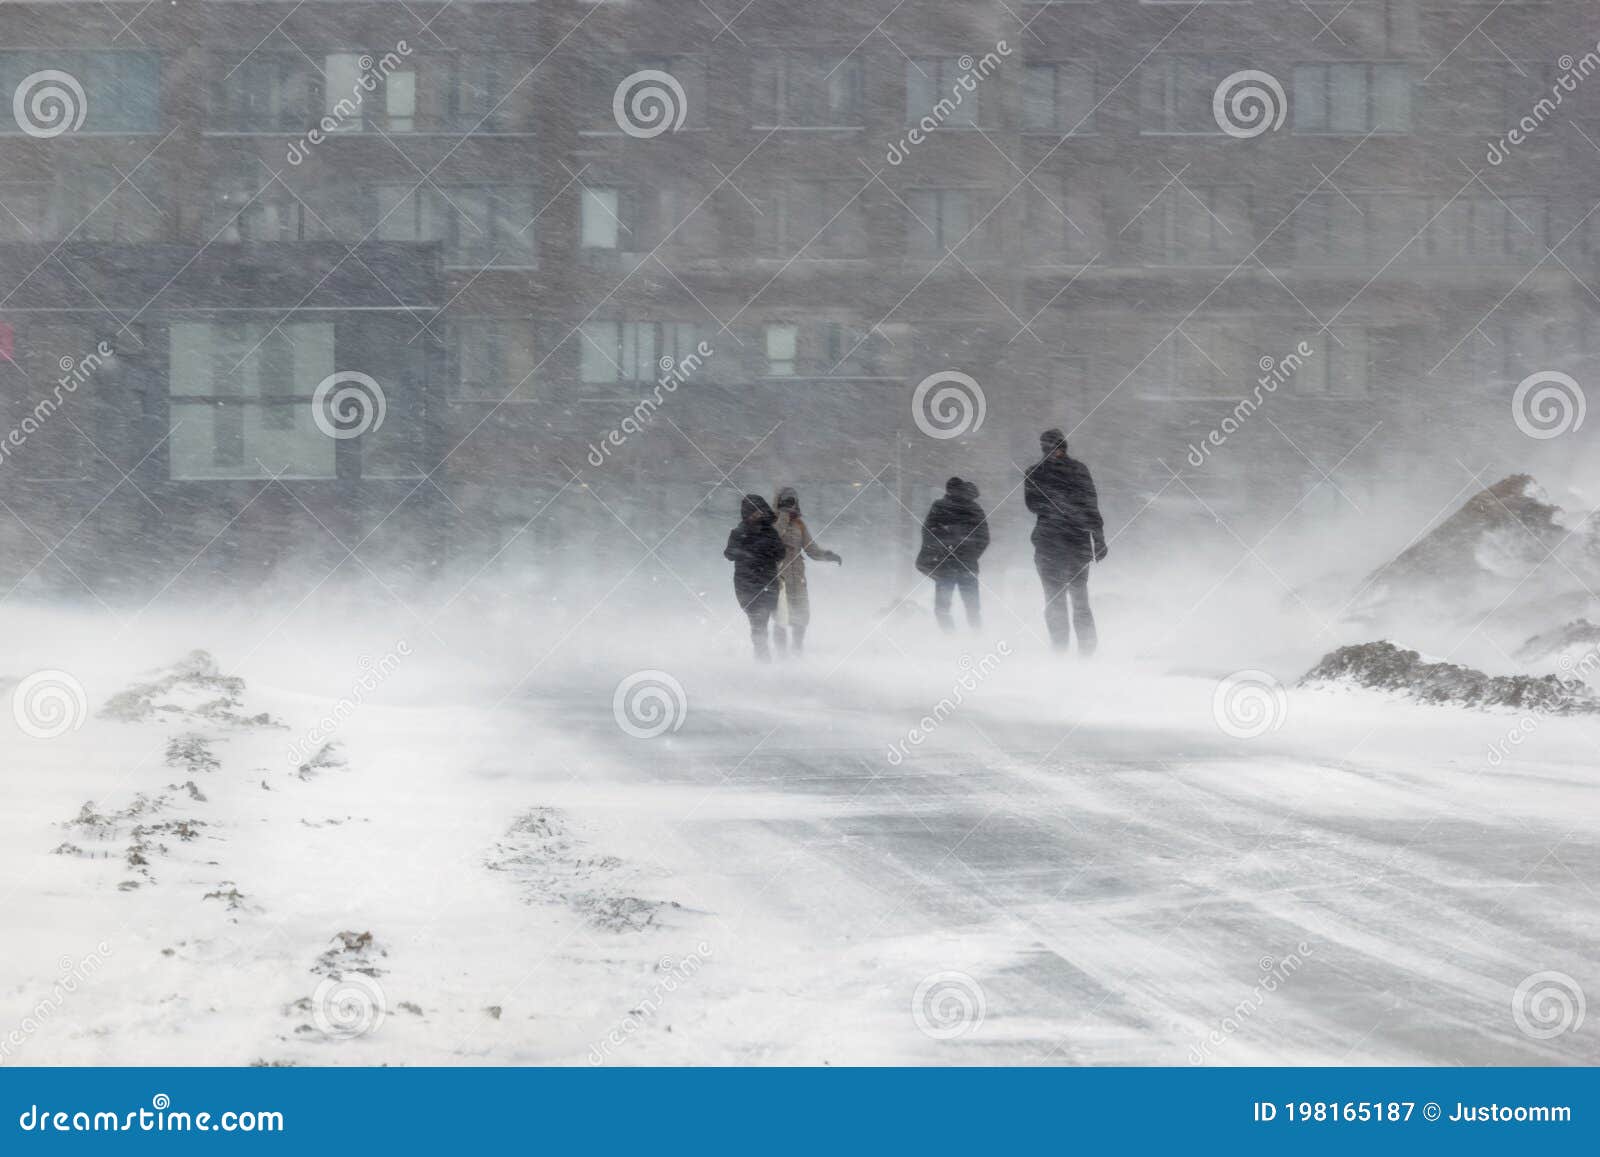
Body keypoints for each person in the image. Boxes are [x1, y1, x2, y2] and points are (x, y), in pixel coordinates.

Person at [1024, 428, 1106, 655]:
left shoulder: (1043, 472)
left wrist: (1098, 538)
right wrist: (1096, 536)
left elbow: (1091, 504)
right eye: (1047, 448)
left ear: (1062, 447)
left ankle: (1082, 651)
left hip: (1063, 544)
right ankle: (1064, 650)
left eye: (1053, 447)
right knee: (1059, 601)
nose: (1050, 452)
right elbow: (1033, 504)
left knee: (1071, 600)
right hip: (1060, 544)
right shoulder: (1042, 472)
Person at [771, 486, 842, 656]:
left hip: (798, 579)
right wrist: (783, 516)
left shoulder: (799, 525)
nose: (791, 504)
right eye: (787, 500)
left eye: (793, 500)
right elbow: (773, 539)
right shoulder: (772, 522)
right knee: (781, 617)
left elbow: (811, 550)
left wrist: (828, 556)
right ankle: (781, 653)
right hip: (779, 578)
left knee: (801, 617)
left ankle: (797, 649)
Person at [916, 477, 990, 632]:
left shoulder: (939, 506)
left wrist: (939, 551)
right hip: (967, 565)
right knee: (972, 607)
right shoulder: (974, 507)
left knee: (942, 608)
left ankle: (950, 638)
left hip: (945, 565)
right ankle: (977, 637)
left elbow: (928, 533)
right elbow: (983, 538)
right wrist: (970, 555)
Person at [723, 494, 787, 661]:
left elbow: (781, 552)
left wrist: (765, 553)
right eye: (753, 511)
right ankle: (762, 656)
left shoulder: (770, 532)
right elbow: (729, 553)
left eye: (759, 511)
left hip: (768, 582)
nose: (757, 514)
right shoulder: (738, 532)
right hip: (747, 584)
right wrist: (750, 554)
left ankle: (772, 655)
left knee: (769, 619)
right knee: (758, 621)